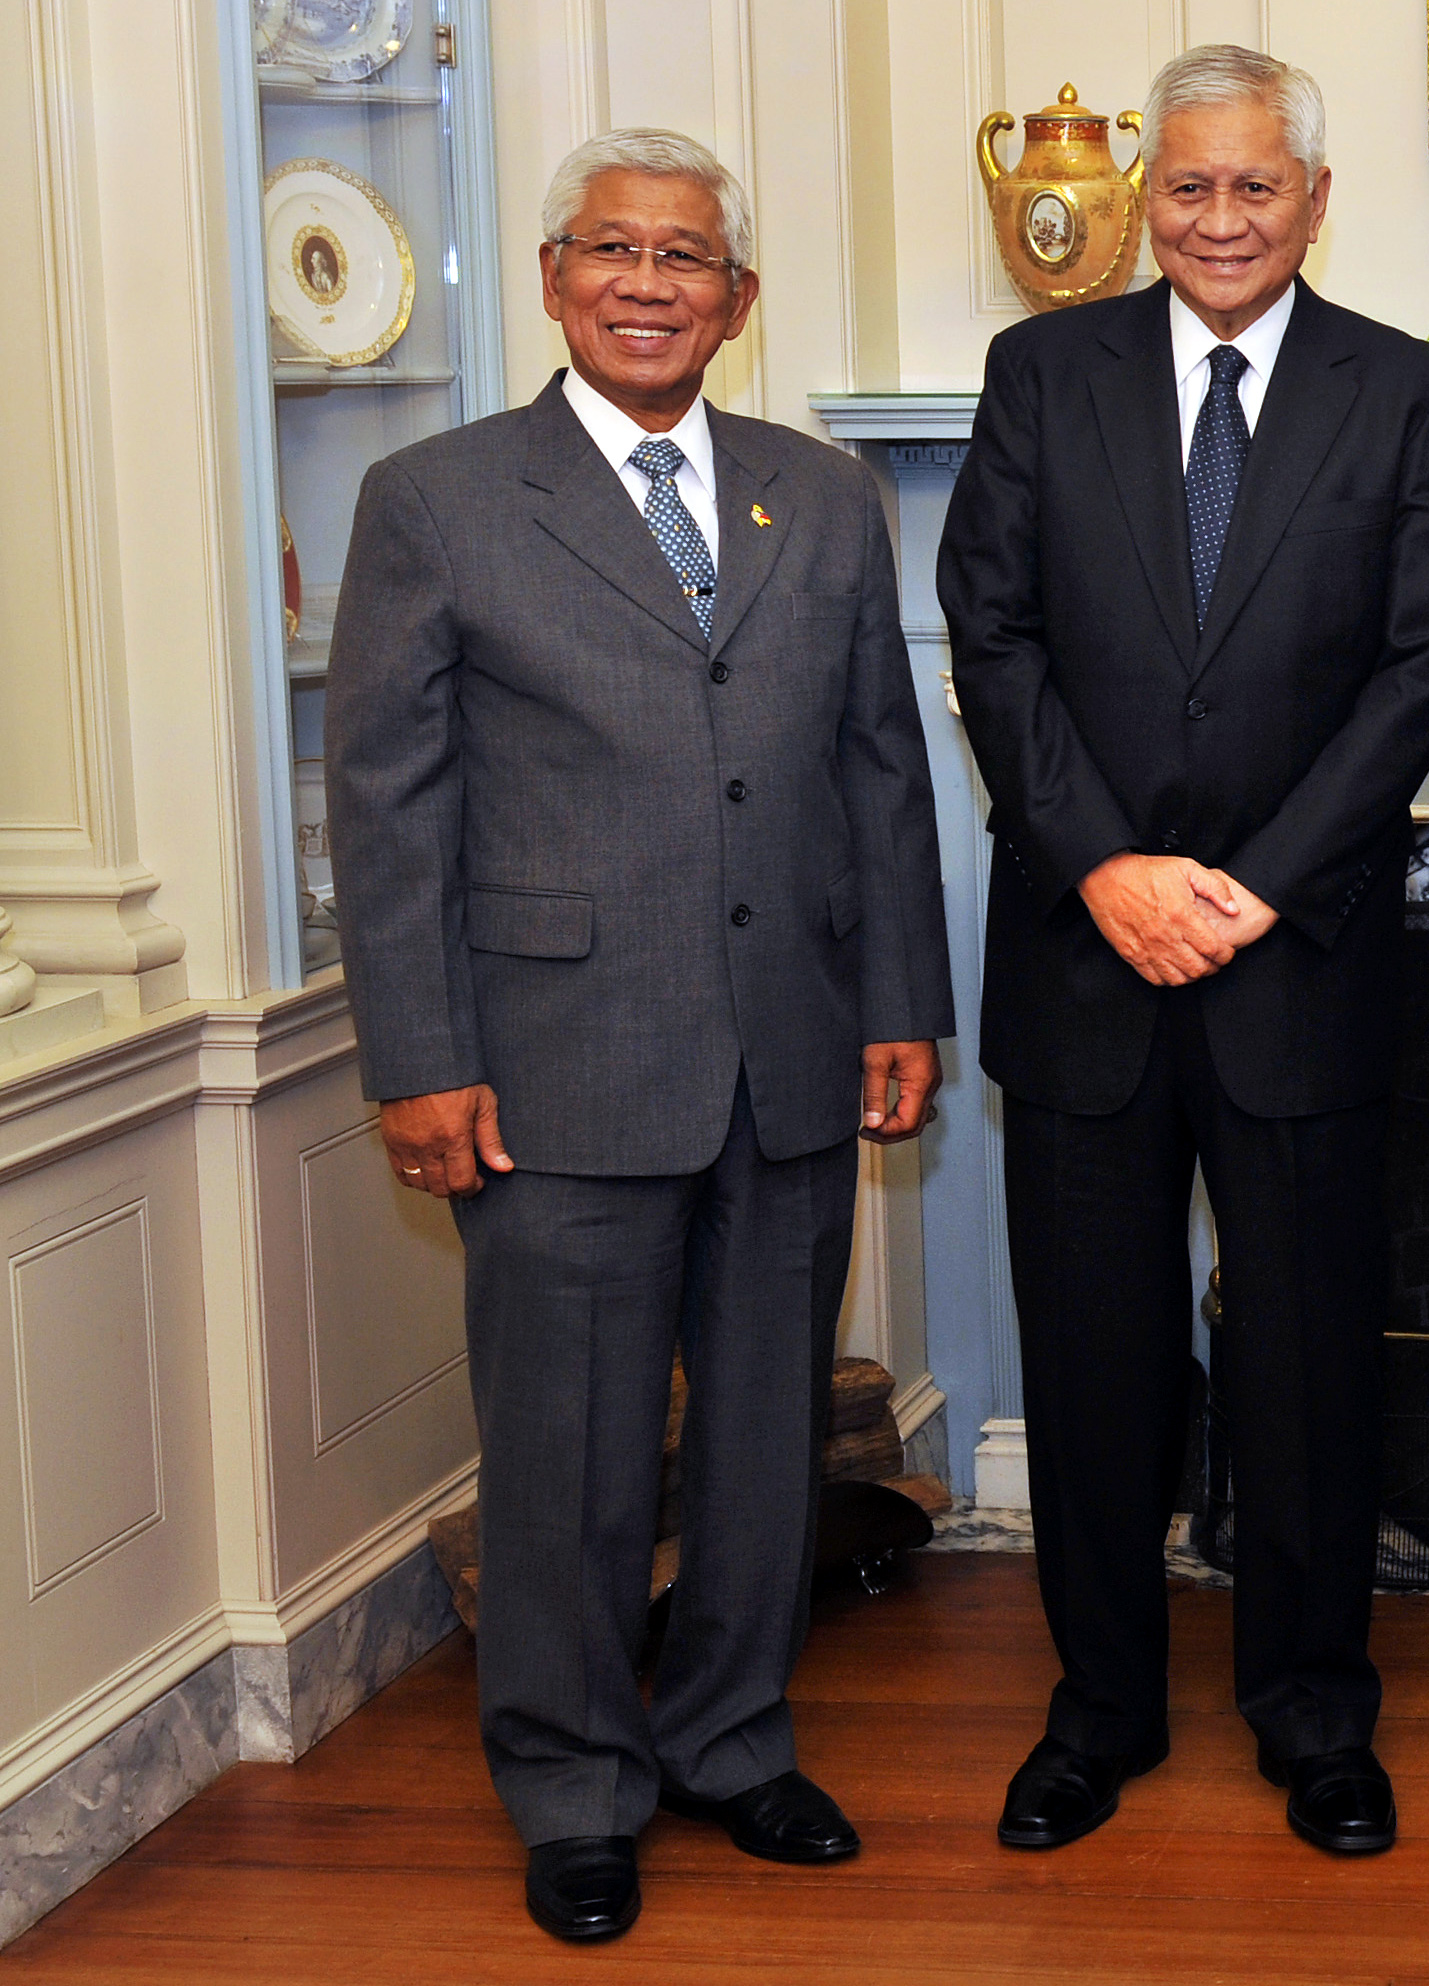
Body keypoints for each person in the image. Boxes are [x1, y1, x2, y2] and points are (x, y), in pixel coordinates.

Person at [325, 130, 956, 1943]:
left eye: (689, 257)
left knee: (766, 1437)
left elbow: (880, 772)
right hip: (548, 1063)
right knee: (571, 1456)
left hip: (789, 1047)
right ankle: (576, 1781)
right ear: (550, 278)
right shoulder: (436, 498)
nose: (652, 281)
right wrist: (418, 1058)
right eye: (616, 248)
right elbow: (389, 804)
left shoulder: (820, 495)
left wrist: (900, 1001)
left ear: (737, 303)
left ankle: (732, 1741)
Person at [935, 46, 1429, 1858]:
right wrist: (1105, 870)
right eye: (1189, 187)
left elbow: (1417, 671)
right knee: (1095, 1361)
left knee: (1312, 1366)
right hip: (1085, 961)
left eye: (1258, 188)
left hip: (1299, 954)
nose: (1221, 218)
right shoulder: (1039, 372)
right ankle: (1097, 1709)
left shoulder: (1405, 394)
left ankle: (1317, 1714)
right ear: (1142, 197)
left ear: (1315, 202)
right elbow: (990, 637)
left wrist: (1247, 887)